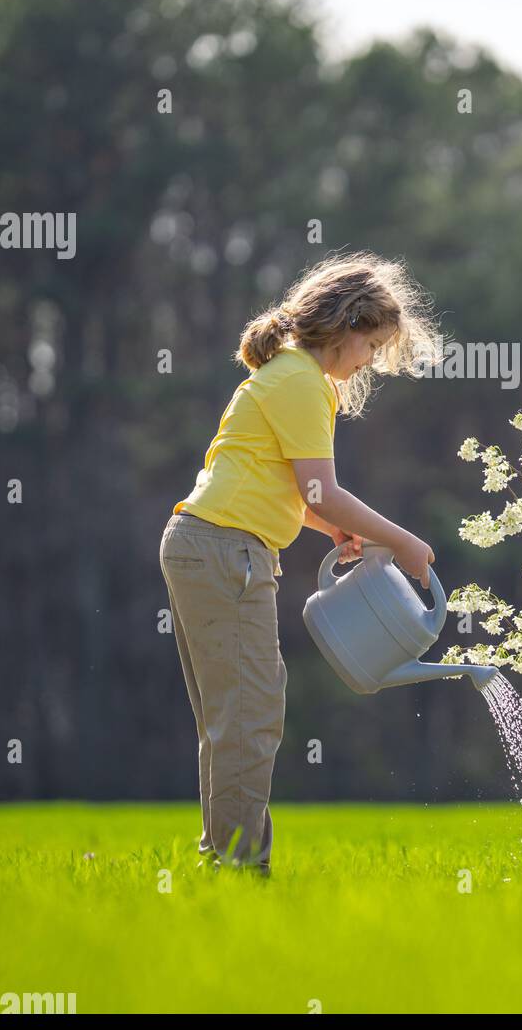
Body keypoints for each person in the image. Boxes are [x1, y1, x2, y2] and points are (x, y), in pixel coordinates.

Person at [158, 250, 440, 876]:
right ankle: (237, 869)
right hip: (226, 549)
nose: (370, 361)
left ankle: (230, 864)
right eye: (371, 346)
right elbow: (322, 491)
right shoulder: (303, 383)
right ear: (346, 329)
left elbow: (292, 492)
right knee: (251, 716)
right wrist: (402, 543)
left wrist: (337, 529)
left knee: (233, 719)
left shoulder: (287, 375)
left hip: (207, 544)